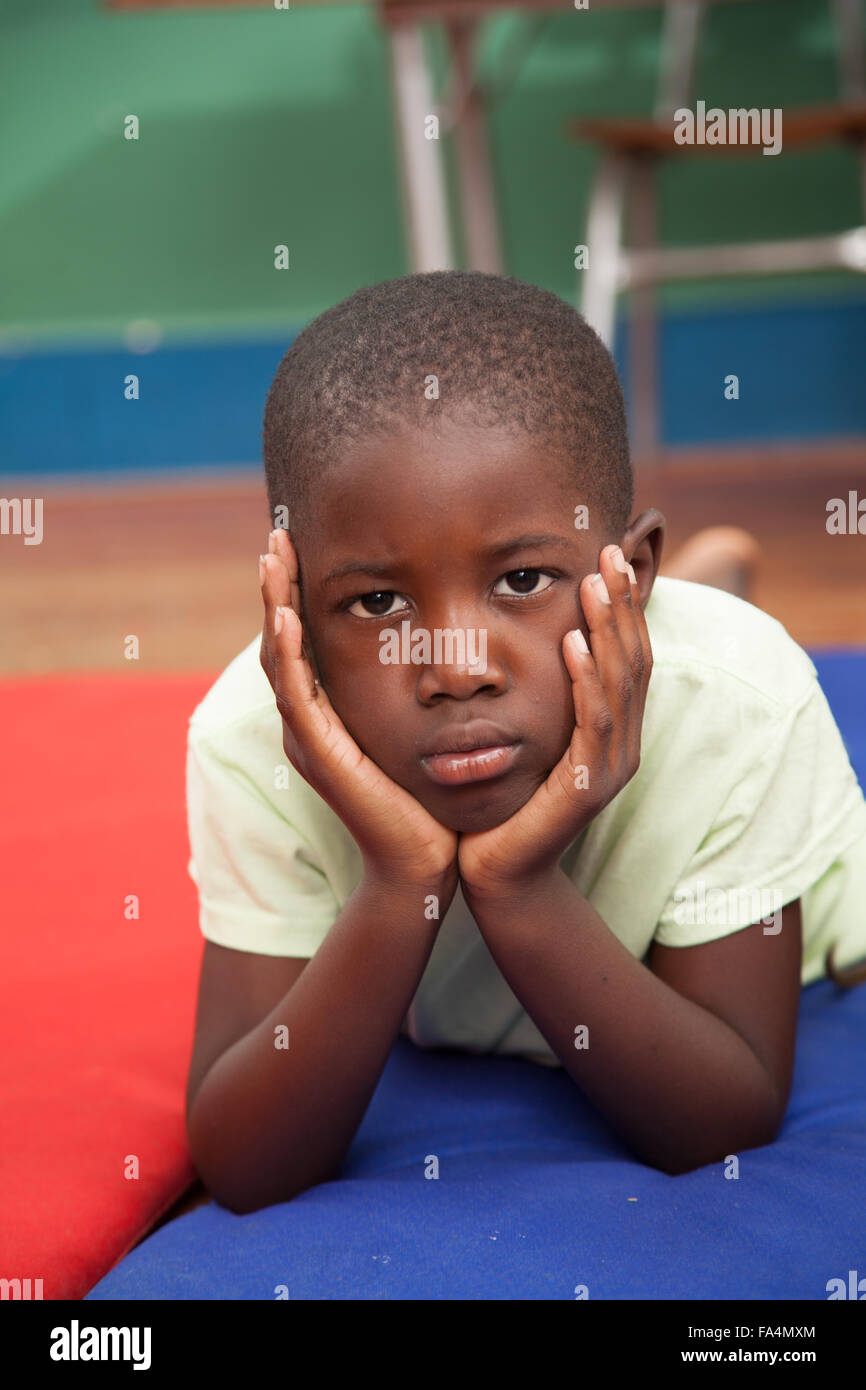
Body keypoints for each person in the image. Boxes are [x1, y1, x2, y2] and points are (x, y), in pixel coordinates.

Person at [184, 271, 866, 1217]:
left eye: (521, 580)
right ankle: (683, 584)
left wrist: (516, 883)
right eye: (378, 603)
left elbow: (726, 1123)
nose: (456, 668)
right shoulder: (255, 739)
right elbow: (244, 1164)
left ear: (633, 571)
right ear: (292, 613)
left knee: (716, 672)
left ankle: (706, 600)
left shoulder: (742, 708)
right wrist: (399, 883)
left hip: (810, 886)